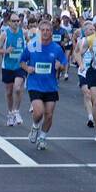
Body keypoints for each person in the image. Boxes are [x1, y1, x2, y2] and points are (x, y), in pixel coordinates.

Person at [22, 20, 68, 151]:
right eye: (43, 30)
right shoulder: (32, 45)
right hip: (35, 84)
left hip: (51, 86)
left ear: (51, 32)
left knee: (49, 115)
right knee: (39, 112)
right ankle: (35, 126)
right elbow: (21, 61)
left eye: (48, 30)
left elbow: (64, 63)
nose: (45, 32)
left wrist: (61, 66)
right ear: (39, 31)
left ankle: (42, 137)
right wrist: (27, 68)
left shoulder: (56, 48)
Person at [0, 12, 28, 127]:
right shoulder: (5, 34)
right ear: (9, 22)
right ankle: (10, 113)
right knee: (9, 92)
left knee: (18, 88)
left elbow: (30, 45)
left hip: (20, 65)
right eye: (13, 21)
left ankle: (16, 111)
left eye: (17, 21)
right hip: (8, 66)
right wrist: (6, 51)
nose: (16, 23)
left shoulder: (23, 32)